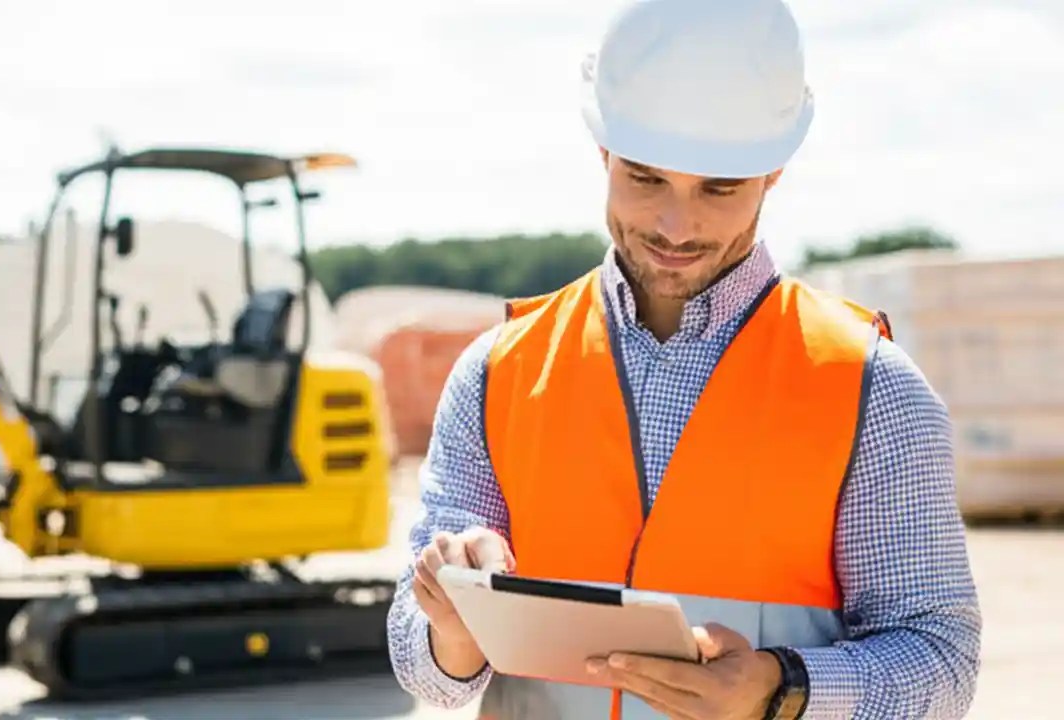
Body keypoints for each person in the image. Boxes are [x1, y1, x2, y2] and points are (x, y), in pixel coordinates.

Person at [386, 0, 982, 718]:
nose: (676, 225)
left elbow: (940, 659)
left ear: (774, 172)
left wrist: (780, 687)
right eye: (645, 179)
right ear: (603, 151)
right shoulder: (497, 374)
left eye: (718, 189)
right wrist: (453, 626)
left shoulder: (871, 391)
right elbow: (428, 669)